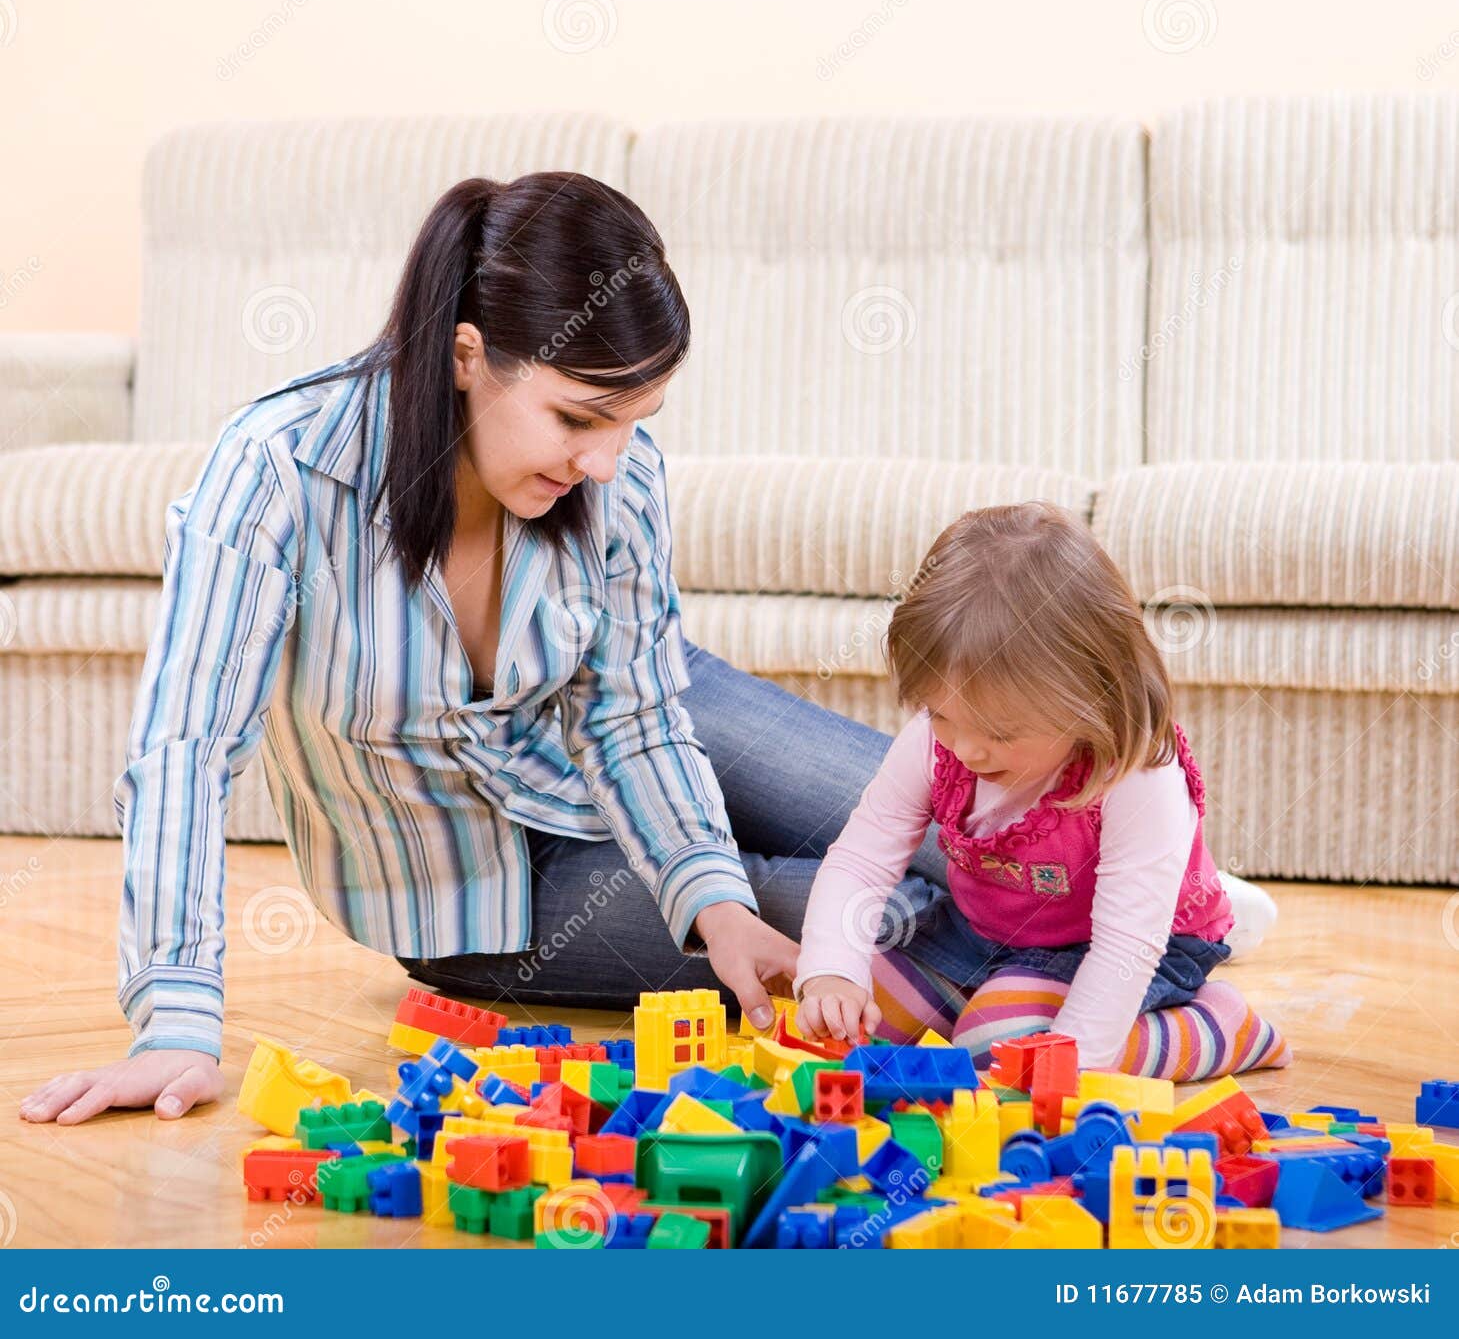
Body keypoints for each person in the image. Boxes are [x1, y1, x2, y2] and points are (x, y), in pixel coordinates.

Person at [19, 171, 948, 1126]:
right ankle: (1018, 970)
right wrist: (175, 1023)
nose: (606, 463)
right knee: (883, 917)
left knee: (960, 826)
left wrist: (713, 901)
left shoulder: (613, 476)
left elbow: (630, 716)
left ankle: (1040, 961)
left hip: (656, 721)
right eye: (578, 418)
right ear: (466, 355)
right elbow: (186, 750)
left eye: (631, 422)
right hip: (476, 895)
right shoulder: (278, 471)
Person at [793, 502, 1290, 1082]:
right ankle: (999, 1001)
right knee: (851, 1025)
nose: (967, 750)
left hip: (1131, 953)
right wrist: (832, 970)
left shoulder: (1136, 774)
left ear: (1093, 699)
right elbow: (860, 860)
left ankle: (1220, 1026)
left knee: (1001, 1047)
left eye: (1001, 733)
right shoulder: (935, 742)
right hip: (984, 935)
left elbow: (1126, 946)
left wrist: (1070, 1066)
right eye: (941, 714)